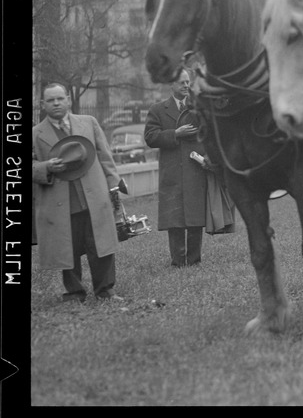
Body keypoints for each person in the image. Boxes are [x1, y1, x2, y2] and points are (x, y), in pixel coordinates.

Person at [31, 83, 122, 302]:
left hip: (94, 197)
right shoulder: (35, 133)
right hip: (60, 202)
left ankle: (106, 290)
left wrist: (114, 188)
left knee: (100, 244)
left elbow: (105, 159)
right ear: (42, 105)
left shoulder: (89, 123)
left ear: (69, 100)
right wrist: (46, 167)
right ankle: (74, 292)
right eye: (51, 100)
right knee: (67, 248)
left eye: (60, 98)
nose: (56, 103)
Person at [144, 69, 209, 266]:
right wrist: (175, 133)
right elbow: (150, 137)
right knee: (175, 219)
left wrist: (206, 157)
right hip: (172, 173)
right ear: (171, 85)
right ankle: (178, 261)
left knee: (195, 216)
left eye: (188, 82)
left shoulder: (199, 108)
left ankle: (194, 259)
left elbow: (208, 134)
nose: (186, 85)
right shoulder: (158, 110)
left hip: (195, 170)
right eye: (181, 82)